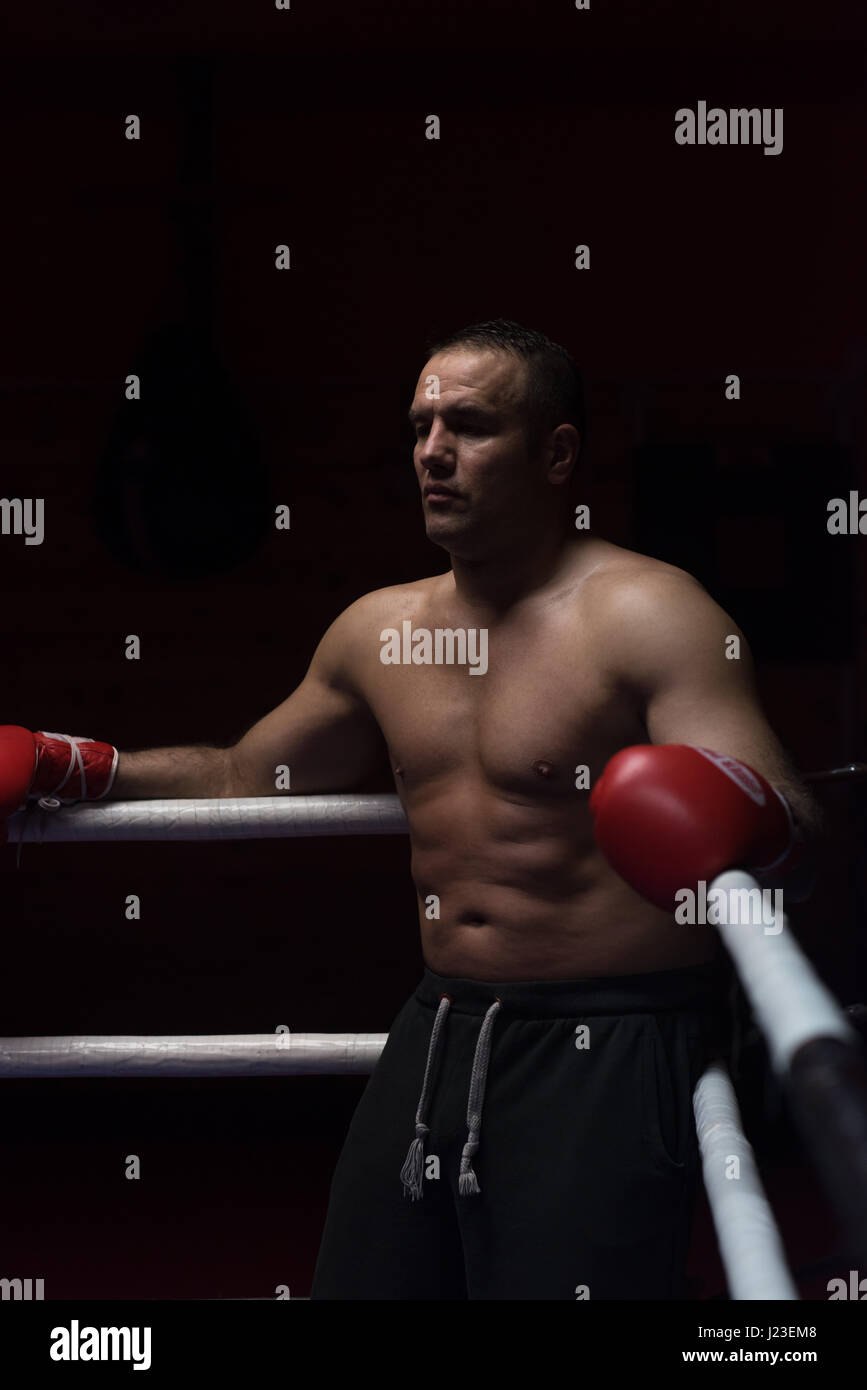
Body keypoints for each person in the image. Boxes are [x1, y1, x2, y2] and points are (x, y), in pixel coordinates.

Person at [0, 319, 819, 1299]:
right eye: (420, 424)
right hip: (441, 1020)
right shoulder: (378, 631)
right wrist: (85, 764)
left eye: (469, 425)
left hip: (614, 1032)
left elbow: (797, 834)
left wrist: (732, 812)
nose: (433, 450)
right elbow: (244, 776)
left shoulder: (651, 614)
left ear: (556, 453)